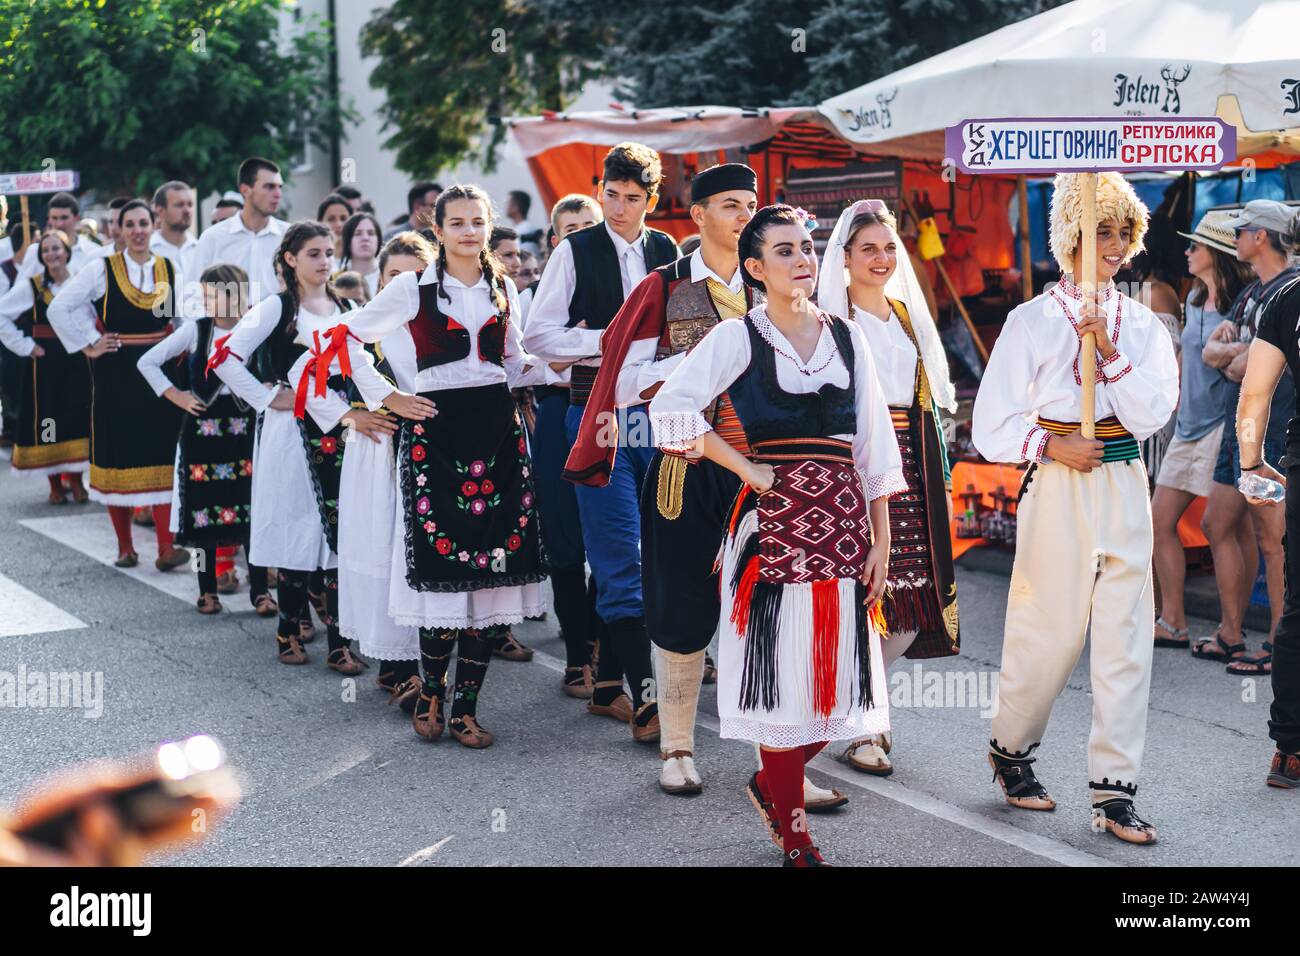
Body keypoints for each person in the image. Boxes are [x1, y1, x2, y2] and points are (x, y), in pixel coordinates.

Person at [649, 204, 902, 866]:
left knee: (840, 689)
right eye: (784, 251)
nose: (802, 259)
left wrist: (883, 540)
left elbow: (874, 451)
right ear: (755, 268)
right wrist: (743, 467)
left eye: (808, 247)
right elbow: (668, 409)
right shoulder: (739, 338)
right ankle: (793, 831)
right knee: (783, 686)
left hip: (845, 530)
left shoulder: (849, 337)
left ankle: (771, 782)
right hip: (771, 536)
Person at [972, 172, 1178, 845]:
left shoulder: (1141, 324)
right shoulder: (1029, 320)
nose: (1115, 246)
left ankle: (1114, 792)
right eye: (1102, 232)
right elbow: (992, 425)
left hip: (1124, 481)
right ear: (1071, 238)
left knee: (1125, 637)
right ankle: (1011, 747)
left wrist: (1110, 351)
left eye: (1124, 232)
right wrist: (1053, 445)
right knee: (1050, 631)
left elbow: (1150, 415)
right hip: (1058, 483)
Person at [567, 164, 767, 794]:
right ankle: (677, 747)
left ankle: (780, 760)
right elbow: (620, 383)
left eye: (751, 205)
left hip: (760, 472)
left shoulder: (773, 283)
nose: (743, 216)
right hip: (683, 468)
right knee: (680, 605)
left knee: (765, 611)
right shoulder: (663, 286)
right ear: (697, 214)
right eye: (730, 205)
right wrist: (696, 363)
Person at [329, 185, 550, 748]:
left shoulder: (503, 286)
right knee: (441, 566)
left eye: (478, 221)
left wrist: (563, 363)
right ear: (439, 230)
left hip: (499, 433)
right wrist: (387, 397)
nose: (470, 232)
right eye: (457, 223)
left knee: (489, 572)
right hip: (437, 433)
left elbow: (513, 358)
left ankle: (467, 709)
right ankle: (431, 691)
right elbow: (344, 337)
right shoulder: (411, 288)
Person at [525, 143, 680, 742]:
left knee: (649, 546)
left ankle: (610, 684)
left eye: (632, 199)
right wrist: (607, 341)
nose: (617, 208)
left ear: (652, 201)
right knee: (619, 551)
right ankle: (647, 698)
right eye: (610, 195)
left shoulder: (666, 251)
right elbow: (539, 336)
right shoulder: (575, 248)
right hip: (591, 409)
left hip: (651, 414)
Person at [818, 199, 960, 777]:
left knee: (907, 604)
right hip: (854, 466)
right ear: (845, 258)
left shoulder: (904, 316)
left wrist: (938, 472)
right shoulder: (831, 320)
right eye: (868, 249)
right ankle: (867, 724)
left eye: (888, 248)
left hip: (913, 463)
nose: (881, 258)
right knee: (863, 596)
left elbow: (930, 399)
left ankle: (860, 710)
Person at [210, 221, 384, 673]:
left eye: (329, 251)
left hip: (343, 426)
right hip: (293, 433)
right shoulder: (277, 308)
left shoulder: (347, 305)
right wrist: (268, 396)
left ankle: (339, 642)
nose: (324, 260)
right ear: (290, 259)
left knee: (341, 529)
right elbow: (224, 358)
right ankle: (289, 628)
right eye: (313, 253)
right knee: (296, 523)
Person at [47, 199, 191, 570]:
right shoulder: (102, 268)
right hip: (118, 372)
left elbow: (180, 318)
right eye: (131, 225)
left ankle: (165, 547)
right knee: (120, 450)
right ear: (120, 230)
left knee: (162, 451)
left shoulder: (168, 266)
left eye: (144, 223)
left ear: (153, 225)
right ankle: (125, 546)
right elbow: (58, 308)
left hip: (159, 370)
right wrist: (89, 346)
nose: (139, 230)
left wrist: (182, 349)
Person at [137, 263, 276, 617]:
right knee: (202, 512)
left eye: (217, 294)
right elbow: (148, 362)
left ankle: (260, 591)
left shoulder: (258, 329)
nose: (211, 302)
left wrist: (269, 389)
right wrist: (178, 396)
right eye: (206, 295)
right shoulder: (197, 331)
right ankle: (206, 590)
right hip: (203, 434)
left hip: (246, 431)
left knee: (252, 509)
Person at [1195, 200, 1300, 669]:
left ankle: (1280, 646)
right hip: (1240, 428)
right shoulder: (1251, 292)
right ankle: (1232, 633)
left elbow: (1239, 362)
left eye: (1242, 231)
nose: (1234, 238)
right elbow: (1214, 354)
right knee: (1217, 523)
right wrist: (1238, 354)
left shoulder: (1289, 290)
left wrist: (1236, 354)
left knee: (1271, 539)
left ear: (1263, 237)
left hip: (1273, 429)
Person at [337, 232, 434, 712]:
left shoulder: (436, 321)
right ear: (379, 279)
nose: (403, 283)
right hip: (377, 452)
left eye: (414, 275)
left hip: (426, 450)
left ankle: (425, 659)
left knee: (417, 549)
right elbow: (308, 378)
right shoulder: (360, 324)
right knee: (383, 547)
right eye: (394, 275)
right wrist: (350, 414)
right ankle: (395, 667)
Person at [1151, 211, 1253, 649]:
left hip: (1221, 424)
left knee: (1229, 528)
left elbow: (1243, 367)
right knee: (1159, 521)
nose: (1187, 252)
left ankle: (1233, 628)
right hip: (1188, 424)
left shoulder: (1240, 302)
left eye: (1195, 246)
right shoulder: (1194, 298)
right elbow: (1186, 358)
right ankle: (1173, 621)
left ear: (1217, 254)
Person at [1237, 207, 1300, 788]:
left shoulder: (1287, 300)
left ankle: (1290, 750)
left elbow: (1253, 395)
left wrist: (1253, 461)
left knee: (1298, 607)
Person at [0, 230, 91, 500]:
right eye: (46, 250)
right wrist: (26, 346)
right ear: (41, 257)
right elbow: (2, 315)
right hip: (46, 362)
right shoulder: (33, 285)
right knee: (48, 418)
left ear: (67, 252)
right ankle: (54, 484)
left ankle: (76, 480)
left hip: (75, 358)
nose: (52, 254)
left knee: (75, 415)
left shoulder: (79, 283)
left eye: (56, 248)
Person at [191, 157, 285, 303]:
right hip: (227, 324)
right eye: (269, 186)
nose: (278, 194)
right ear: (245, 190)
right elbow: (193, 293)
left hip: (280, 324)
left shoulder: (289, 236)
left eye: (280, 187)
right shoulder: (213, 237)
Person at [149, 181, 198, 278]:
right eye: (179, 205)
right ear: (160, 211)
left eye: (190, 204)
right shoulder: (148, 250)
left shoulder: (200, 248)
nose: (187, 211)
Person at [336, 211, 382, 298]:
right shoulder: (334, 278)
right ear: (347, 240)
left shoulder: (388, 276)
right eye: (357, 233)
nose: (365, 238)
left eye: (371, 233)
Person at [317, 193, 353, 260]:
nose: (338, 224)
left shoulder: (362, 260)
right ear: (320, 223)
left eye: (343, 219)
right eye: (331, 219)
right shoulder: (313, 261)